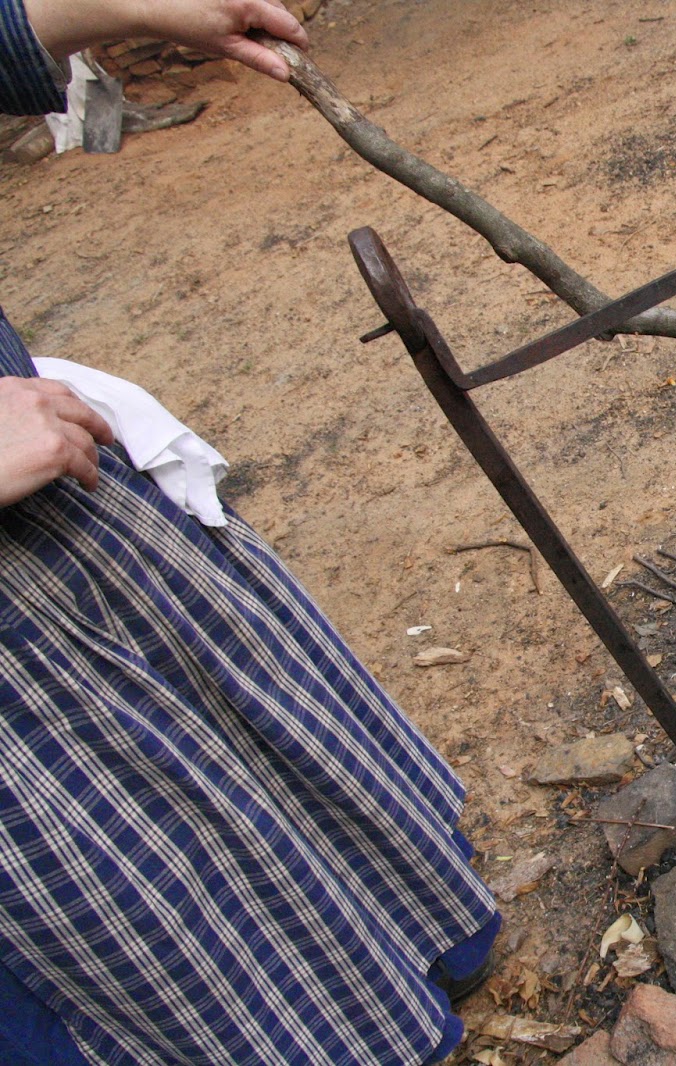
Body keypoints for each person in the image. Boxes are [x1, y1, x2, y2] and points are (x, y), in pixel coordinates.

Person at [0, 2, 501, 1063]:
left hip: (59, 498)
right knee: (139, 894)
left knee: (249, 776)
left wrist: (106, 5)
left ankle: (406, 971)